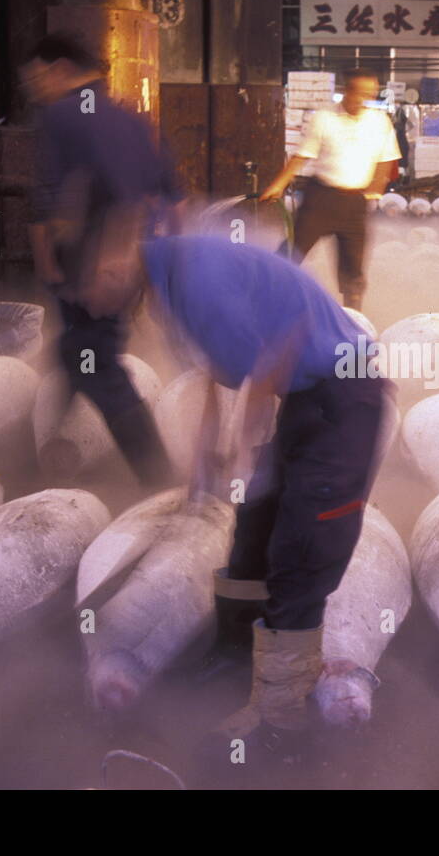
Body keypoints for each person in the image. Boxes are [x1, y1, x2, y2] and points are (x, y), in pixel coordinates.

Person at [138, 233, 390, 755]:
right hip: (306, 400)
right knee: (253, 526)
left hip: (346, 396)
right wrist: (207, 458)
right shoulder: (173, 289)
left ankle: (281, 718)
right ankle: (235, 650)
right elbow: (214, 377)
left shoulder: (198, 276)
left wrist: (248, 443)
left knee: (302, 550)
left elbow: (285, 340)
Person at [21, 33, 176, 489]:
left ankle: (159, 477)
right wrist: (144, 267)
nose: (36, 89)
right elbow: (171, 194)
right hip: (129, 260)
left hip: (88, 264)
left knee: (96, 362)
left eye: (35, 79)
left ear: (58, 69)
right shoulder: (132, 118)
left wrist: (53, 259)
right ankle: (54, 451)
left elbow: (48, 197)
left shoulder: (63, 114)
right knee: (77, 351)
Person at [259, 69, 400, 311]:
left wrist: (375, 187)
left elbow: (387, 158)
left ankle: (353, 318)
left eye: (371, 94)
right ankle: (263, 301)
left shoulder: (380, 121)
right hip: (321, 198)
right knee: (291, 253)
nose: (364, 99)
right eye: (360, 93)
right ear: (346, 91)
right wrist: (278, 184)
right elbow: (302, 155)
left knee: (353, 270)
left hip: (355, 202)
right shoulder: (324, 117)